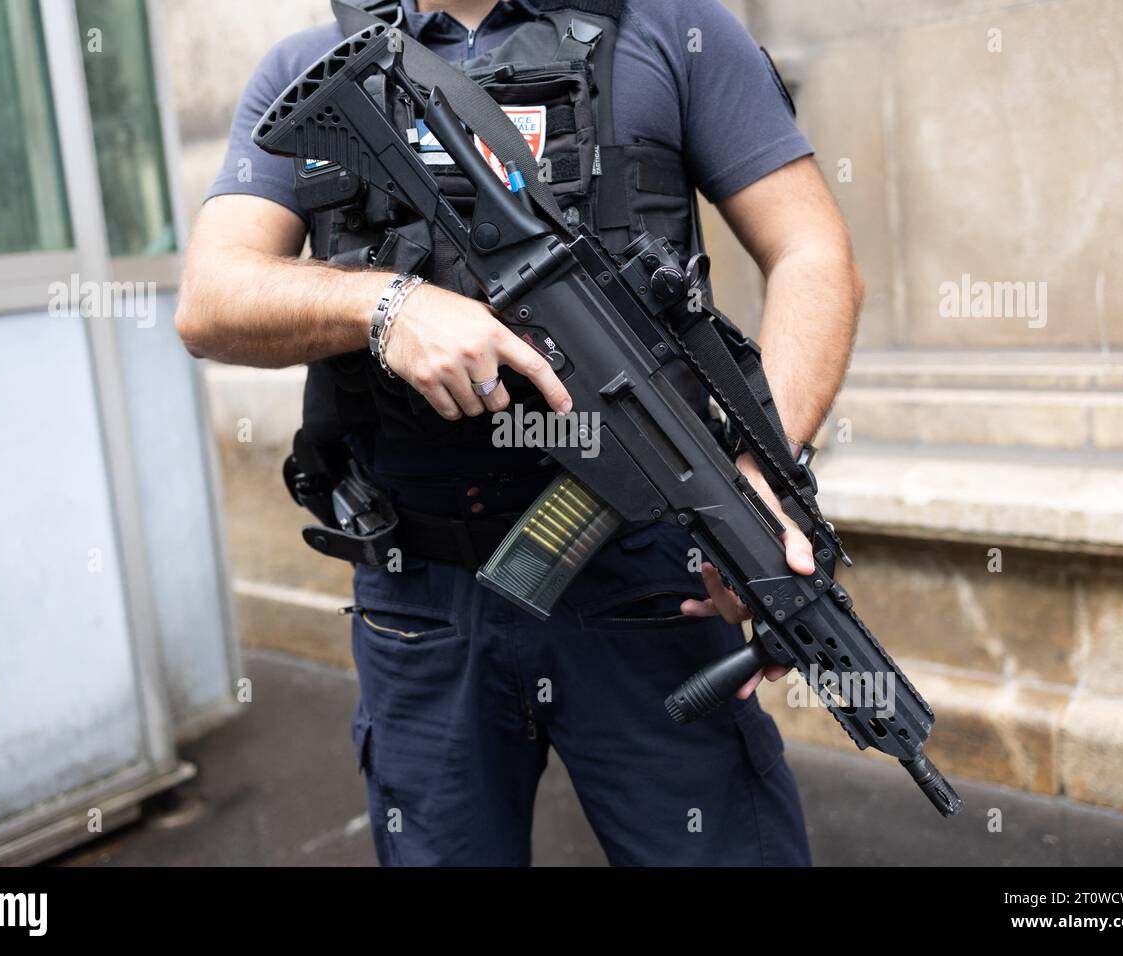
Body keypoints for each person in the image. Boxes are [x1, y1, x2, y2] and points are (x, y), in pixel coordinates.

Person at [176, 0, 863, 866]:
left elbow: (812, 252)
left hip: (649, 572)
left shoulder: (674, 31)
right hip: (422, 590)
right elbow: (211, 300)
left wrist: (757, 485)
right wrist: (386, 305)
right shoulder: (314, 65)